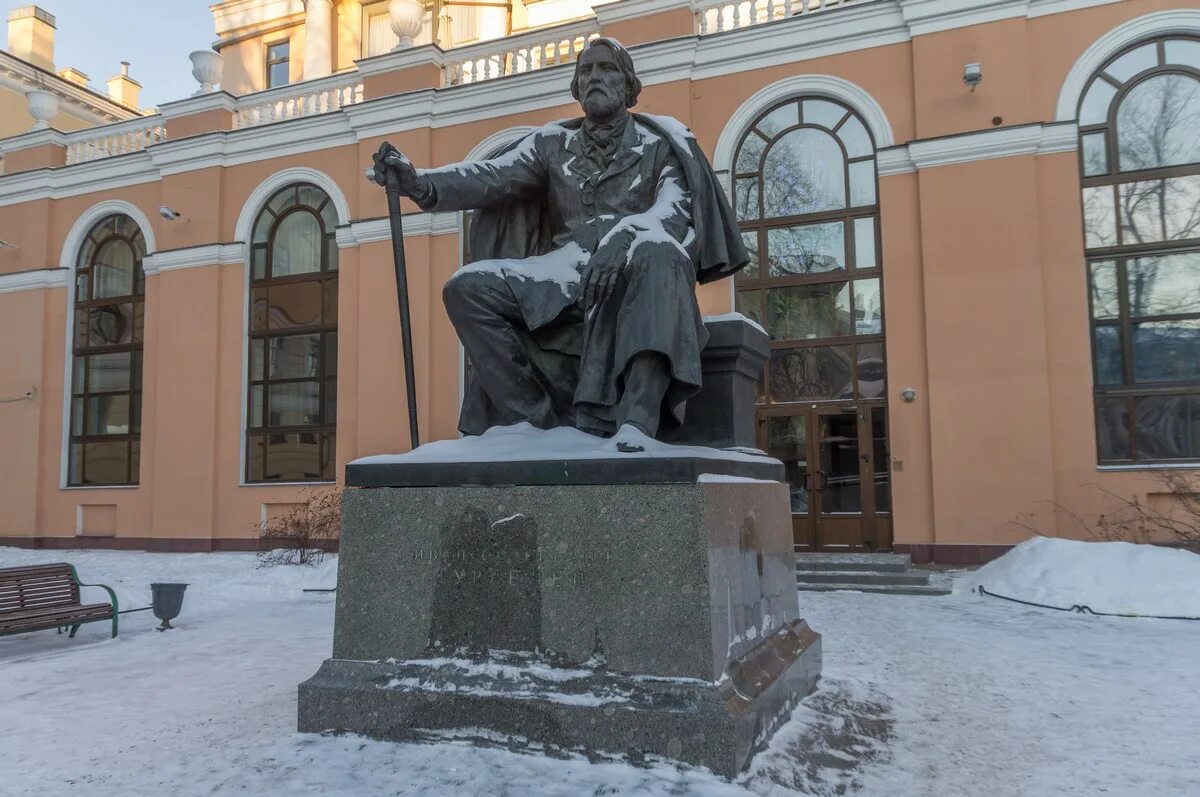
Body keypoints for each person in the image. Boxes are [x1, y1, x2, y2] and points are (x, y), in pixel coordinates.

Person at [371, 38, 747, 451]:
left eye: (606, 68)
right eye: (586, 71)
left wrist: (626, 235)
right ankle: (534, 422)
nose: (594, 77)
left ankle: (637, 422)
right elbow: (491, 176)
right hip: (563, 272)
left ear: (629, 86)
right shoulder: (551, 144)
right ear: (576, 87)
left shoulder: (661, 147)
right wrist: (419, 183)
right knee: (466, 288)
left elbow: (675, 211)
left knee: (659, 251)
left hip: (635, 276)